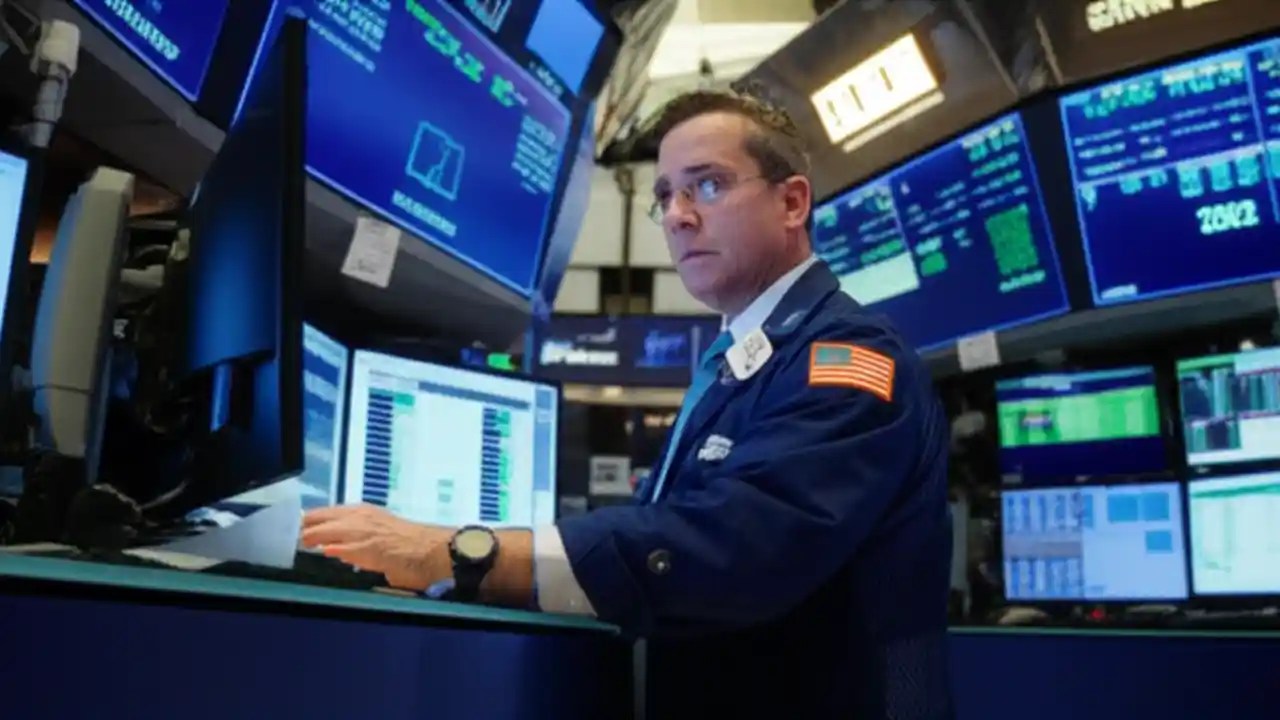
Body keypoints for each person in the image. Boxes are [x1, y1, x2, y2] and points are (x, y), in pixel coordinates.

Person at [301, 88, 955, 718]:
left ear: (792, 202)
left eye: (708, 185)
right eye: (665, 194)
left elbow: (741, 546)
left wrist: (465, 552)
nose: (677, 214)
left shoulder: (849, 355)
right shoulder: (744, 359)